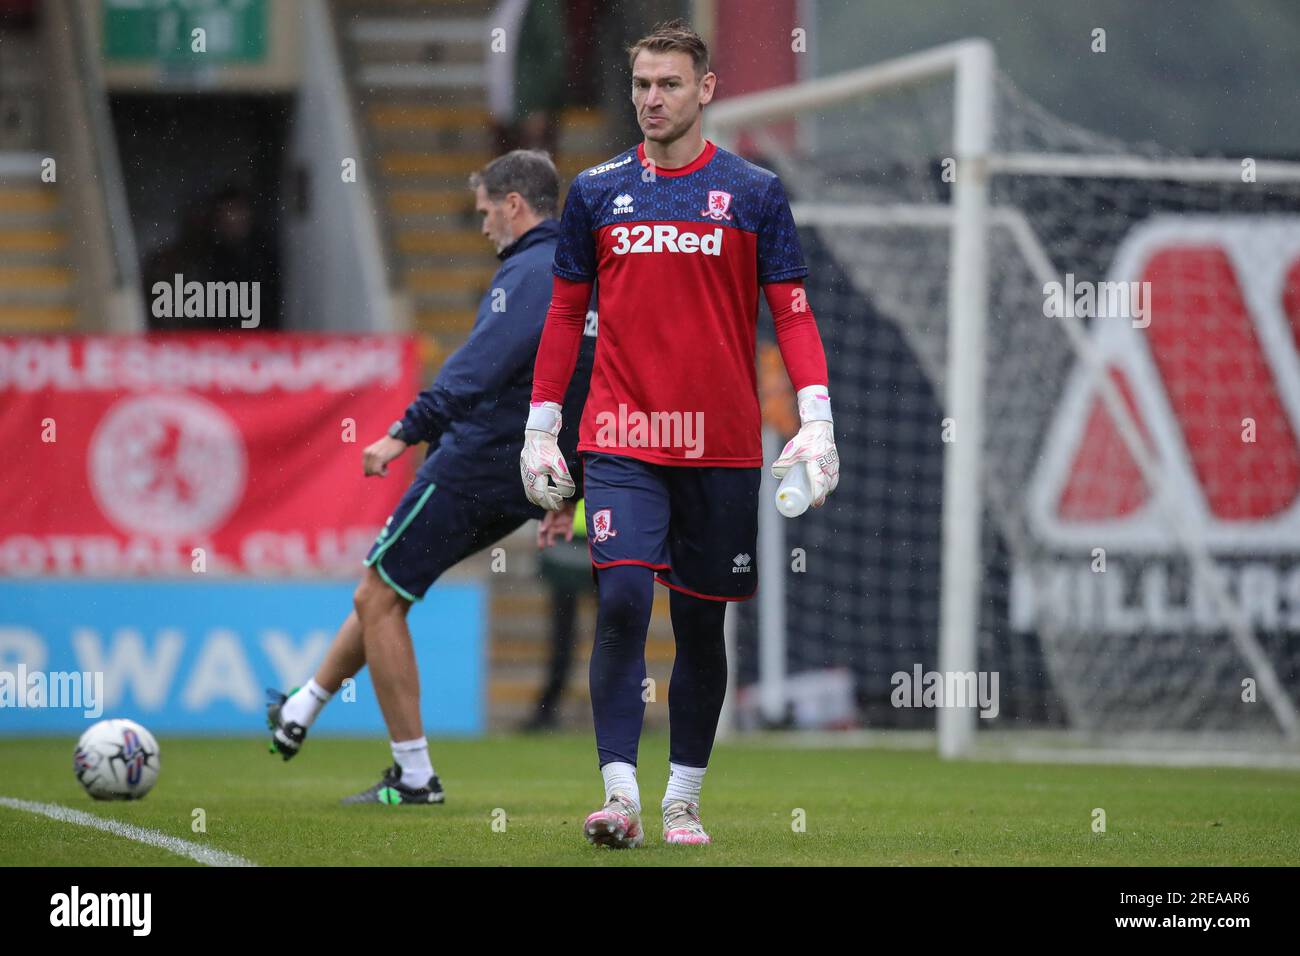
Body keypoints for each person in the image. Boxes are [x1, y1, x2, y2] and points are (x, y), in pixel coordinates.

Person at [521, 19, 839, 847]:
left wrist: (817, 420)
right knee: (623, 600)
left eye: (667, 84)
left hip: (724, 446)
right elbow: (563, 316)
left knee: (700, 625)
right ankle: (620, 795)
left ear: (705, 90)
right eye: (639, 85)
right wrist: (541, 427)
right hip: (622, 436)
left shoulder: (755, 192)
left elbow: (794, 316)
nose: (651, 99)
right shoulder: (594, 191)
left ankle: (682, 800)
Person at [266, 150, 594, 804]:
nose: (482, 227)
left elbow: (475, 369)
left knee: (378, 595)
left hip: (479, 459)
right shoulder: (585, 276)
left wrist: (403, 433)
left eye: (484, 213)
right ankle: (301, 708)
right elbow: (589, 381)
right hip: (531, 472)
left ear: (513, 205)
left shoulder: (527, 275)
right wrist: (568, 485)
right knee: (387, 588)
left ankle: (413, 774)